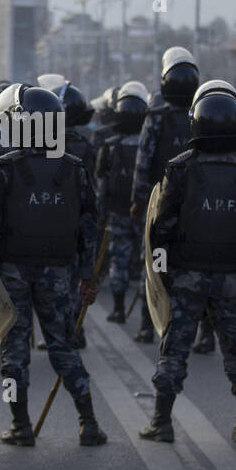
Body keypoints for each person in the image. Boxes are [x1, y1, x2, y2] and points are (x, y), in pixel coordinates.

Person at [140, 91, 236, 444]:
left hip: (187, 276)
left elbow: (160, 230)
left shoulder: (180, 168)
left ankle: (162, 422)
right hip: (234, 278)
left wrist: (164, 276)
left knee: (175, 349)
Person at [0, 85, 104, 446]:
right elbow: (89, 225)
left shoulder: (4, 168)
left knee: (14, 354)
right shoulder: (74, 168)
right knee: (63, 346)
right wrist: (87, 275)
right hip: (58, 271)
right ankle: (89, 424)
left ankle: (19, 426)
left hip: (12, 272)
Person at [129, 48, 199, 344]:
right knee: (196, 263)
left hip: (160, 204)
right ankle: (202, 331)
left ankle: (148, 324)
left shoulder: (155, 117)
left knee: (154, 262)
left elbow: (143, 160)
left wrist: (138, 198)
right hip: (196, 203)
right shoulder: (204, 112)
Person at [95, 82, 148, 324]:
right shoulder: (150, 145)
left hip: (117, 214)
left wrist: (101, 215)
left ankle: (118, 310)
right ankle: (149, 321)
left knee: (119, 261)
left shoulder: (110, 146)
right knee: (154, 263)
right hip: (147, 214)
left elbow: (102, 185)